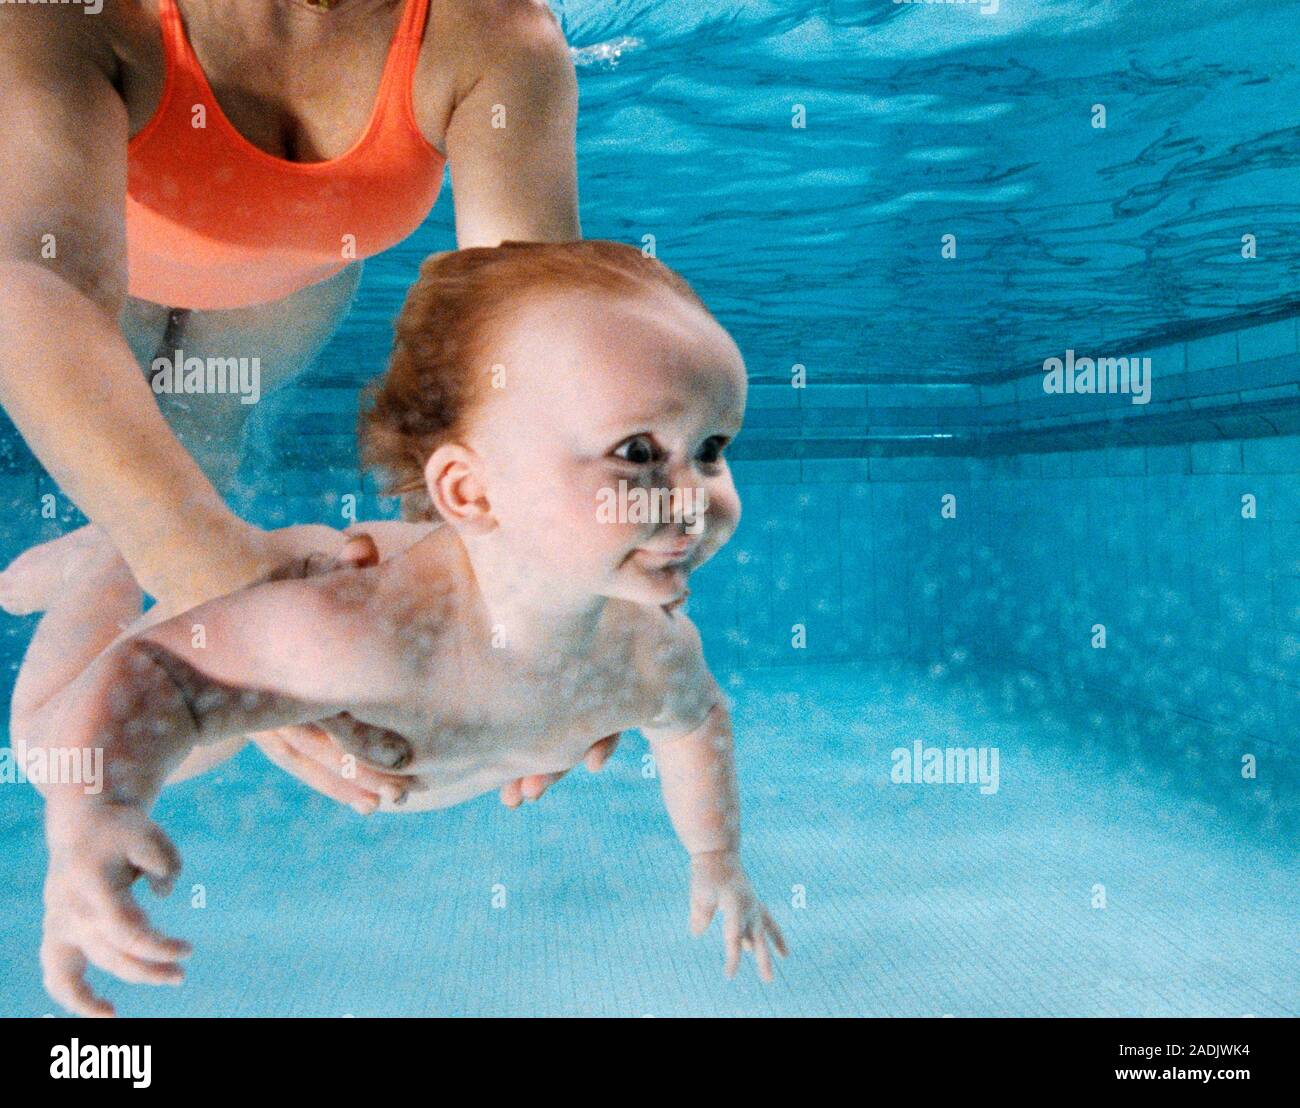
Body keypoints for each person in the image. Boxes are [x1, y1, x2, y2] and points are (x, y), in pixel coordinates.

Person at [17, 240, 788, 1017]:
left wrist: (716, 858)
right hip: (297, 597)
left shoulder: (649, 653)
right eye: (638, 453)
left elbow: (697, 724)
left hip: (359, 593)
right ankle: (103, 563)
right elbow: (162, 675)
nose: (693, 497)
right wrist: (96, 813)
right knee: (53, 754)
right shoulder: (362, 637)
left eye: (713, 449)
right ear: (471, 491)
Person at [0, 0, 590, 809]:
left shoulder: (495, 35)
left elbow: (523, 334)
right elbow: (36, 286)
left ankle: (100, 555)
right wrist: (209, 573)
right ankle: (113, 548)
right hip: (107, 285)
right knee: (144, 484)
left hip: (285, 299)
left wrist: (559, 589)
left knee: (201, 458)